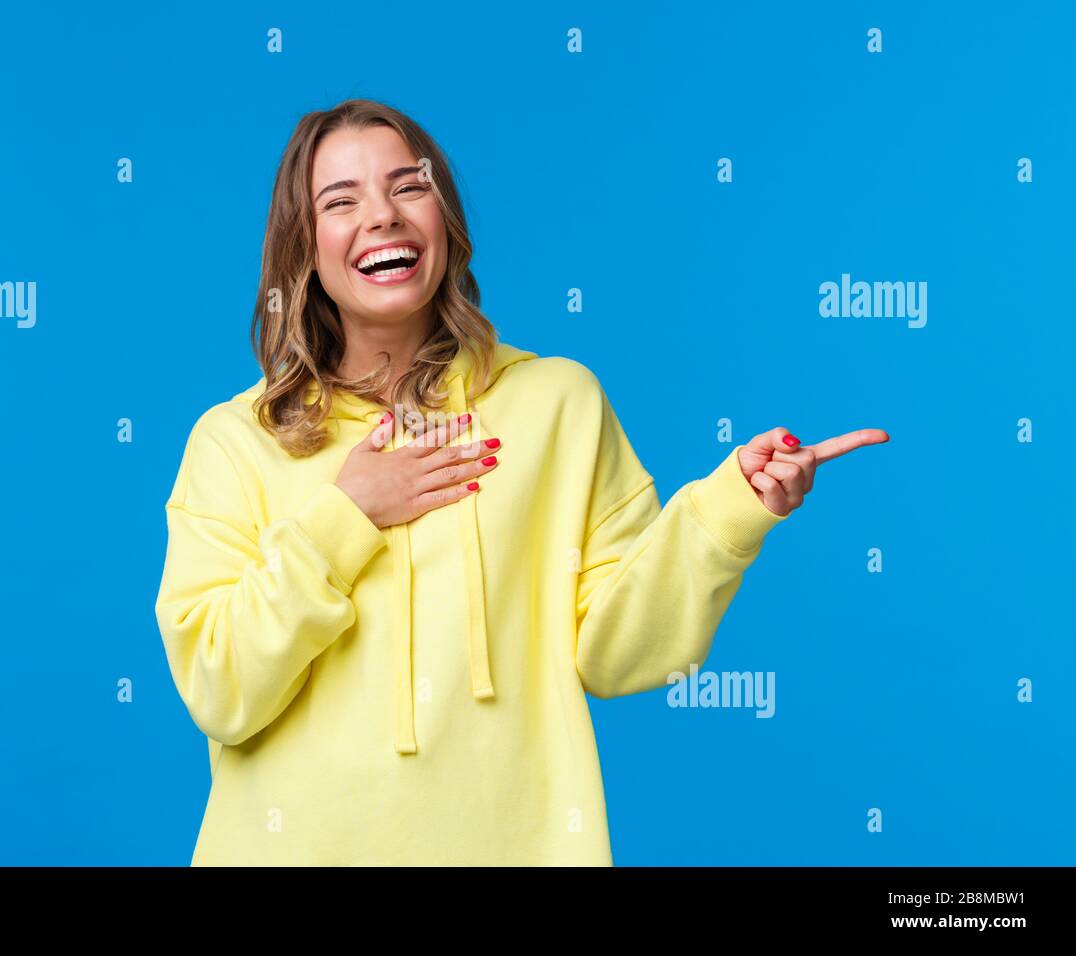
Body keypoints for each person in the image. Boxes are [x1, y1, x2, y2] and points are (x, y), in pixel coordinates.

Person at [153, 98, 889, 866]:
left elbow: (621, 654)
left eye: (408, 187)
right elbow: (220, 691)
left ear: (445, 217)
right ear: (303, 249)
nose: (383, 216)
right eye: (341, 201)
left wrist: (729, 512)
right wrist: (347, 516)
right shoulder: (236, 441)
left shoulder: (558, 403)